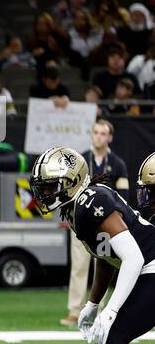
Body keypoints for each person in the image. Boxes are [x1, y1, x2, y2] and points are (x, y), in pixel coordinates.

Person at [31, 147, 155, 344]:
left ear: (71, 182)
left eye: (50, 187)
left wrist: (110, 311)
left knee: (112, 336)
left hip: (149, 266)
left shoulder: (92, 201)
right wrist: (93, 303)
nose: (45, 194)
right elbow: (106, 255)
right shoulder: (78, 206)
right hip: (146, 268)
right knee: (109, 338)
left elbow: (133, 258)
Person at [63, 120, 130, 326]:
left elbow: (124, 195)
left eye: (103, 133)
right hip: (82, 222)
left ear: (109, 137)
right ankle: (74, 311)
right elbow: (69, 191)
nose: (99, 136)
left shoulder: (118, 164)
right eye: (96, 132)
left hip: (107, 225)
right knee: (79, 266)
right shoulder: (80, 161)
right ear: (91, 134)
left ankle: (99, 310)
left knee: (104, 266)